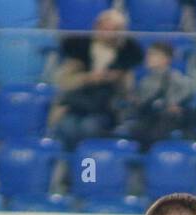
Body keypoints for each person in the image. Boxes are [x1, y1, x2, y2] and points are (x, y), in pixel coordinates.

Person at [52, 8, 143, 149]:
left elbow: (127, 92)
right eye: (104, 27)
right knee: (66, 126)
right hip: (76, 104)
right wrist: (87, 78)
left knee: (89, 127)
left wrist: (116, 79)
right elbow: (64, 82)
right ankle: (67, 164)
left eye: (113, 29)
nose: (107, 32)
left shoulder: (125, 57)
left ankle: (87, 163)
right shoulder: (79, 51)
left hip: (103, 108)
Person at [115, 42, 196, 149]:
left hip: (165, 119)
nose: (148, 58)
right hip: (147, 117)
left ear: (166, 59)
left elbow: (190, 89)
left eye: (153, 55)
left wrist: (173, 103)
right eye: (148, 54)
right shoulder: (145, 80)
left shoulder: (174, 77)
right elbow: (140, 101)